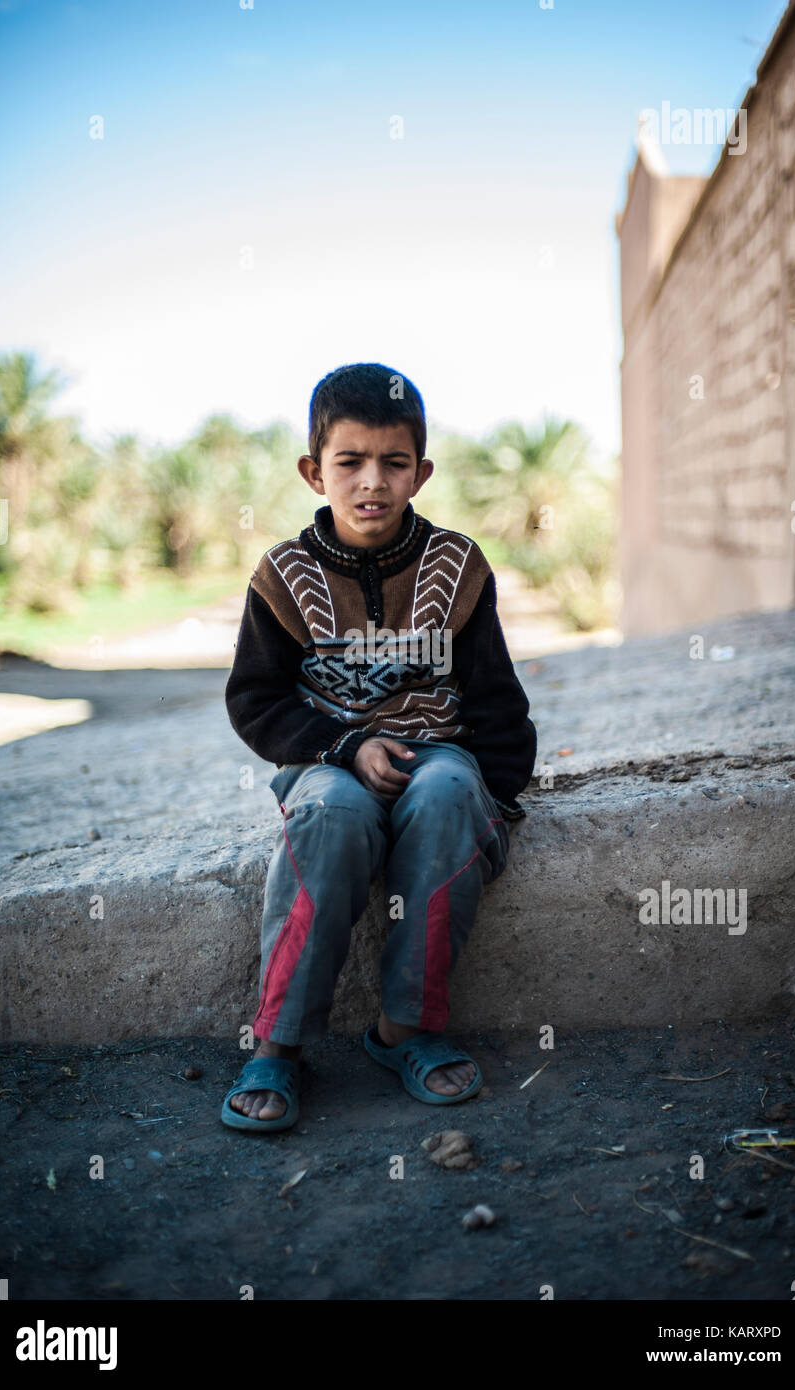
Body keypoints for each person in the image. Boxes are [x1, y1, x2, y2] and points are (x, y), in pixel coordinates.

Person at [222, 362, 537, 1131]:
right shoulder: (283, 575)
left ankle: (405, 1028)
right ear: (312, 471)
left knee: (445, 794)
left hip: (439, 753)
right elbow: (255, 701)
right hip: (326, 761)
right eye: (350, 462)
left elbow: (495, 698)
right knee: (329, 814)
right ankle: (278, 1042)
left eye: (394, 463)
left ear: (420, 472)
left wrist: (489, 800)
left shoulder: (456, 567)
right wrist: (343, 745)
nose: (373, 482)